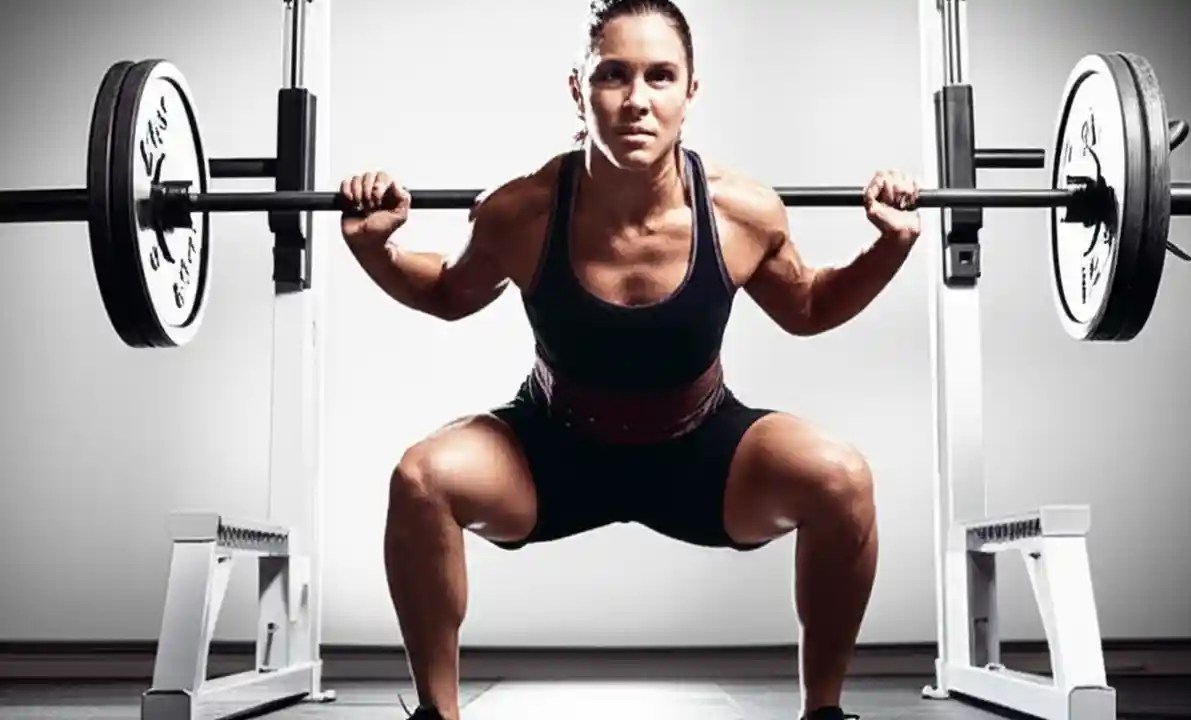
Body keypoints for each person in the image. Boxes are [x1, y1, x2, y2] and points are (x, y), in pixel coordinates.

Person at [339, 2, 920, 718]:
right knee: (420, 477)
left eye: (660, 76)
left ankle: (823, 712)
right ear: (579, 89)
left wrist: (888, 247)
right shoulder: (521, 211)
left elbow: (807, 309)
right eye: (613, 75)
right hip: (552, 449)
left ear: (691, 92)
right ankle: (438, 713)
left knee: (841, 476)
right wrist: (375, 247)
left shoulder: (742, 212)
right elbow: (448, 293)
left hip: (700, 451)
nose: (637, 100)